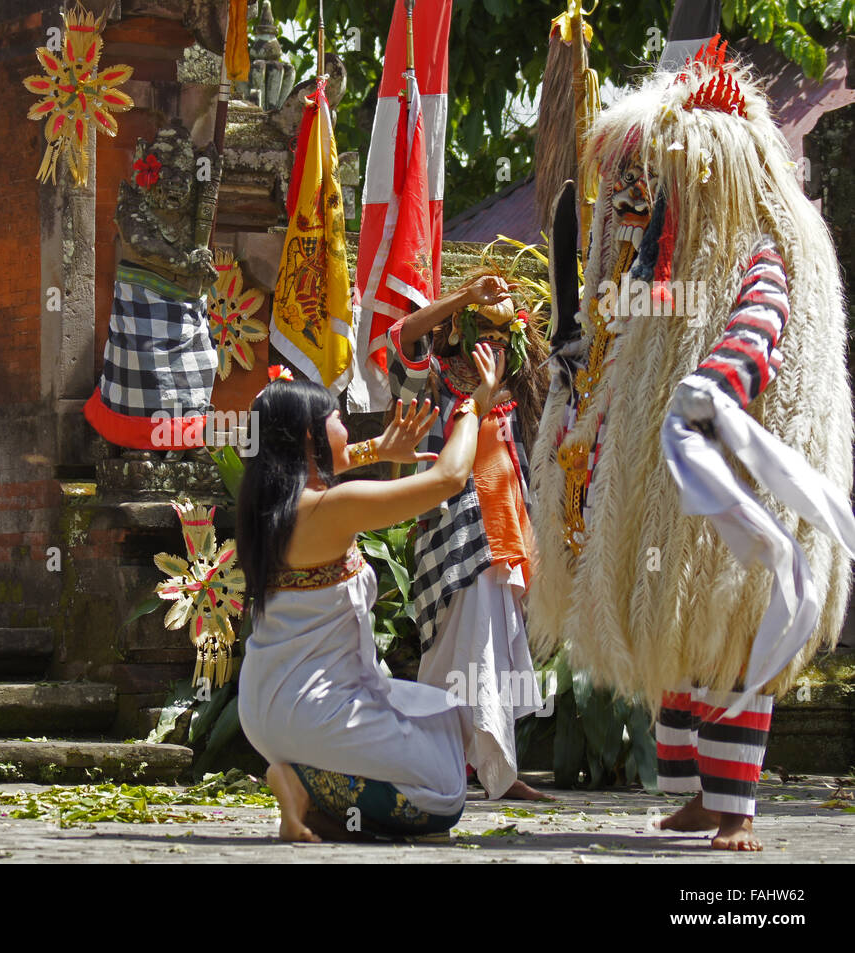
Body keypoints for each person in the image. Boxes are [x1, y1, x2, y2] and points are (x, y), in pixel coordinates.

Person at [529, 42, 853, 850]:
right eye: (629, 180)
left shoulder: (757, 250)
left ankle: (736, 807)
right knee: (669, 631)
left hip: (731, 474)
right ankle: (697, 795)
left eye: (650, 177)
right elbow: (608, 335)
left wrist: (719, 380)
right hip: (662, 479)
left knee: (735, 636)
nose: (634, 193)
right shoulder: (646, 261)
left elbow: (762, 320)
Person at [237, 345, 509, 842]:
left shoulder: (269, 510)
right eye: (337, 419)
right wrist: (472, 406)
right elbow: (448, 478)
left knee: (445, 718)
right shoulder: (332, 509)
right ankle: (300, 783)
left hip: (269, 704)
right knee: (445, 797)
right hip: (312, 707)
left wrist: (376, 451)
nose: (348, 429)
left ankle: (313, 796)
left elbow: (331, 466)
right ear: (308, 436)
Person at [388, 269, 552, 801]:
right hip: (454, 544)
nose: (494, 345)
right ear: (460, 333)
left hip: (507, 544)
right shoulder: (435, 385)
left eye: (502, 337)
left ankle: (491, 768)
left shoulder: (517, 394)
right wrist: (464, 295)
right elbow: (403, 336)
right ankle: (458, 766)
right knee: (459, 657)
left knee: (493, 658)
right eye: (483, 333)